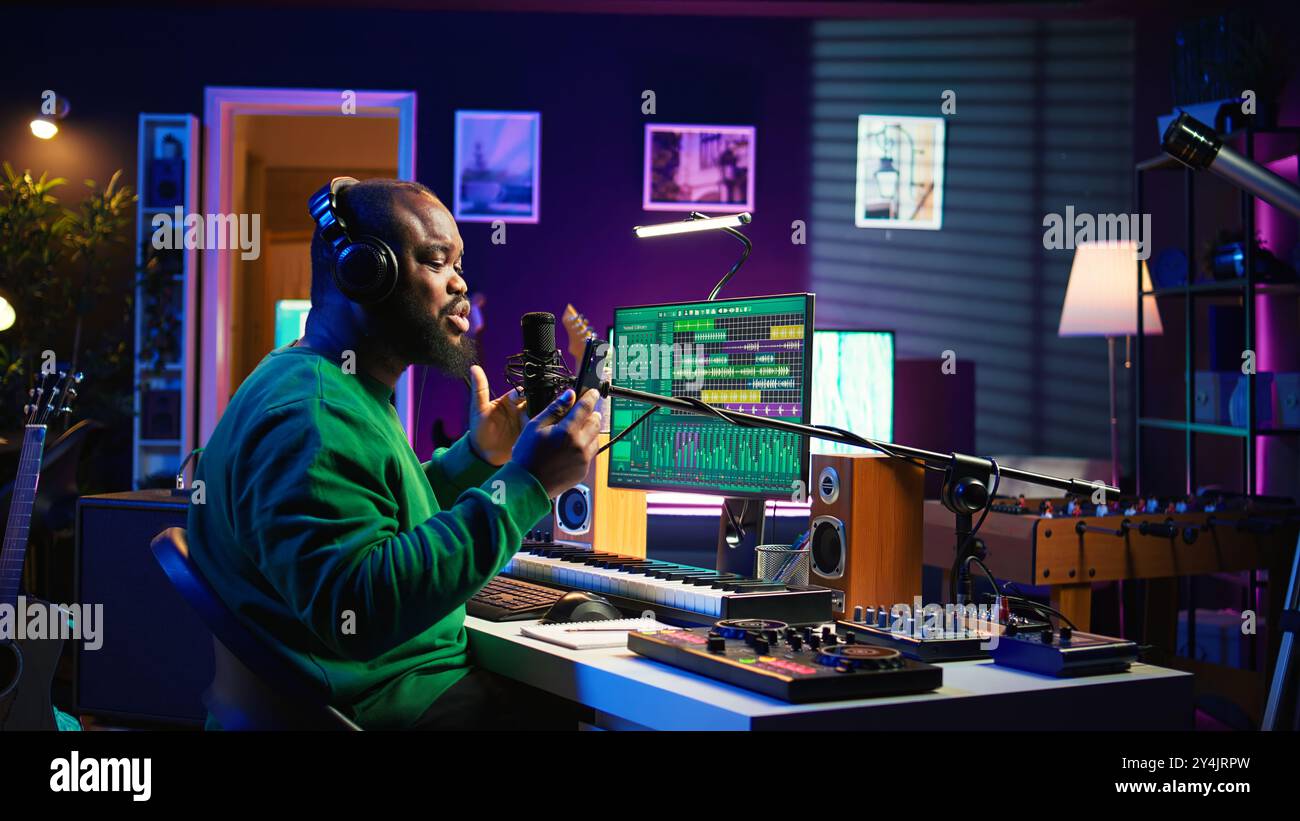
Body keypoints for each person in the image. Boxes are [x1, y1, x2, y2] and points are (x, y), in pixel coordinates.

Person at [188, 177, 600, 729]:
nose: (460, 282)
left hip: (387, 690)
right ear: (365, 273)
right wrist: (527, 485)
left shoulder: (330, 384)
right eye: (436, 260)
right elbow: (357, 606)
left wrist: (478, 456)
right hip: (380, 710)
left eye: (459, 262)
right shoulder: (311, 415)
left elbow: (376, 517)